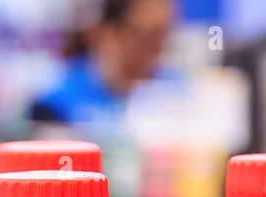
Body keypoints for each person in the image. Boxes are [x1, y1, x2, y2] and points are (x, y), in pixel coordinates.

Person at [30, 0, 176, 126]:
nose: (155, 49)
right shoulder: (56, 101)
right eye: (145, 35)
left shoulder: (177, 91)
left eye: (162, 36)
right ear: (106, 31)